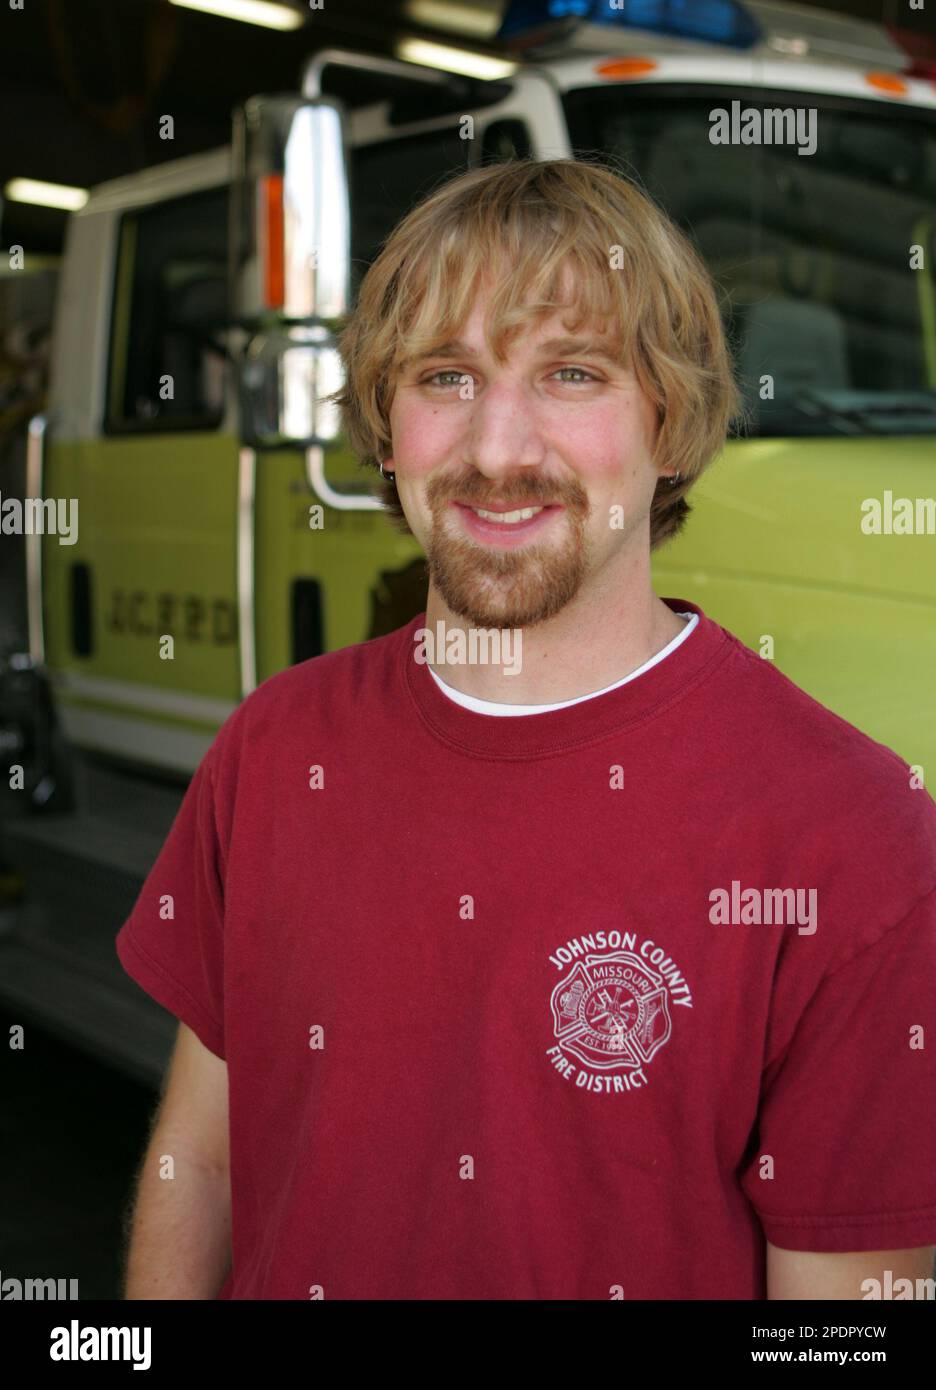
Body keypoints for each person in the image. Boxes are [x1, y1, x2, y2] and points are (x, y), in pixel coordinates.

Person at [116, 158, 936, 1300]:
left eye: (572, 372)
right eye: (446, 375)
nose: (498, 450)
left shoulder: (857, 836)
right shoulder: (274, 747)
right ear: (384, 424)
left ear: (675, 419)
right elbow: (199, 1161)